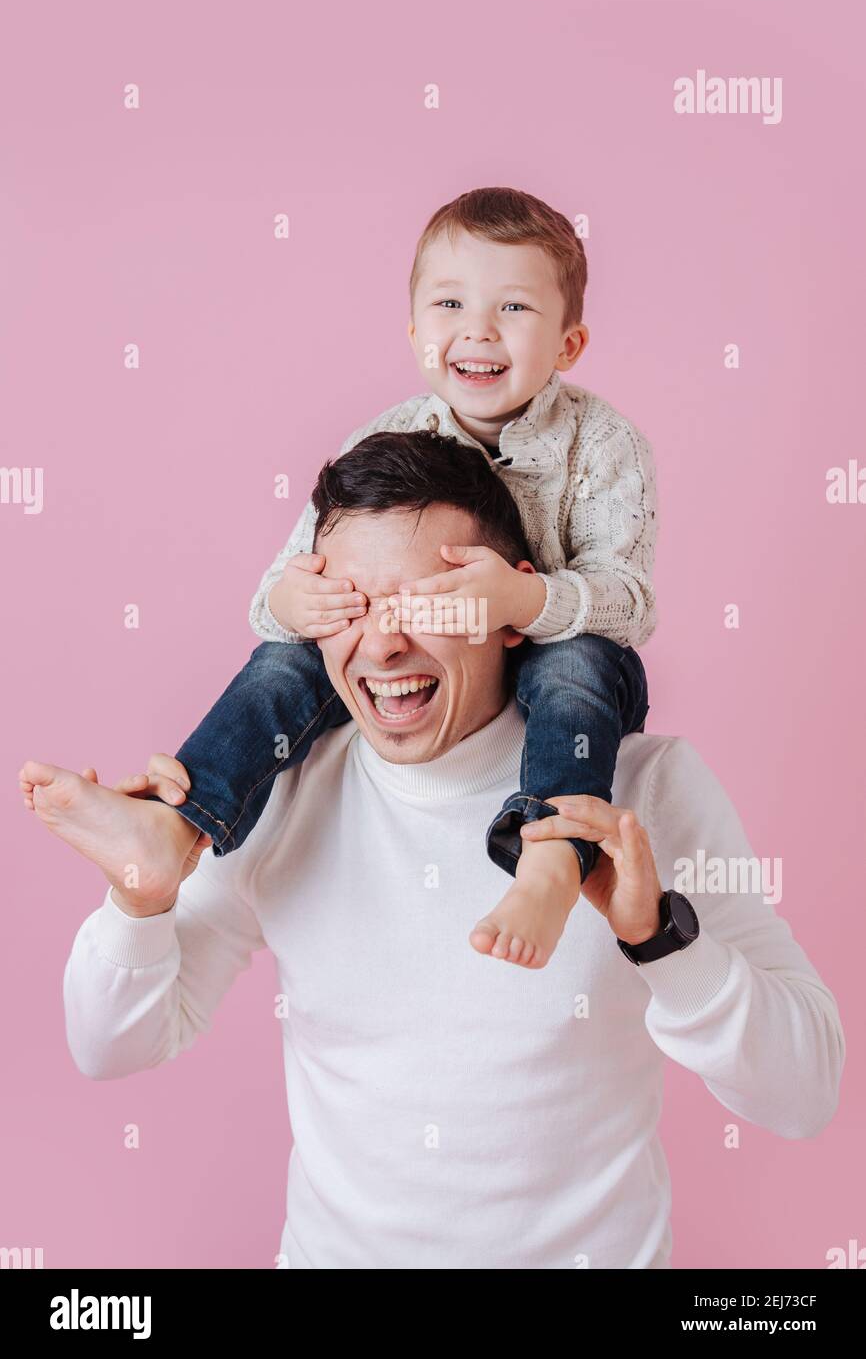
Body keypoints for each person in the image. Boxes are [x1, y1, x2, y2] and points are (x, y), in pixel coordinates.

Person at [20, 434, 844, 1269]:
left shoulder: (644, 792)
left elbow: (807, 1094)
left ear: (513, 614)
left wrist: (659, 943)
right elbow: (110, 1046)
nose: (380, 648)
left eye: (427, 605)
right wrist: (139, 900)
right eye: (348, 608)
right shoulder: (279, 793)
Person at [36, 185, 659, 970]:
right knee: (285, 657)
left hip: (557, 657)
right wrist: (292, 600)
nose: (477, 330)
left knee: (579, 662)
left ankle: (551, 858)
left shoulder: (603, 445)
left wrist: (527, 598)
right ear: (413, 331)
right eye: (450, 304)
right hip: (428, 656)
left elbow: (630, 606)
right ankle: (176, 826)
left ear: (569, 346)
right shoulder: (385, 437)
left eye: (514, 309)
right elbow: (280, 590)